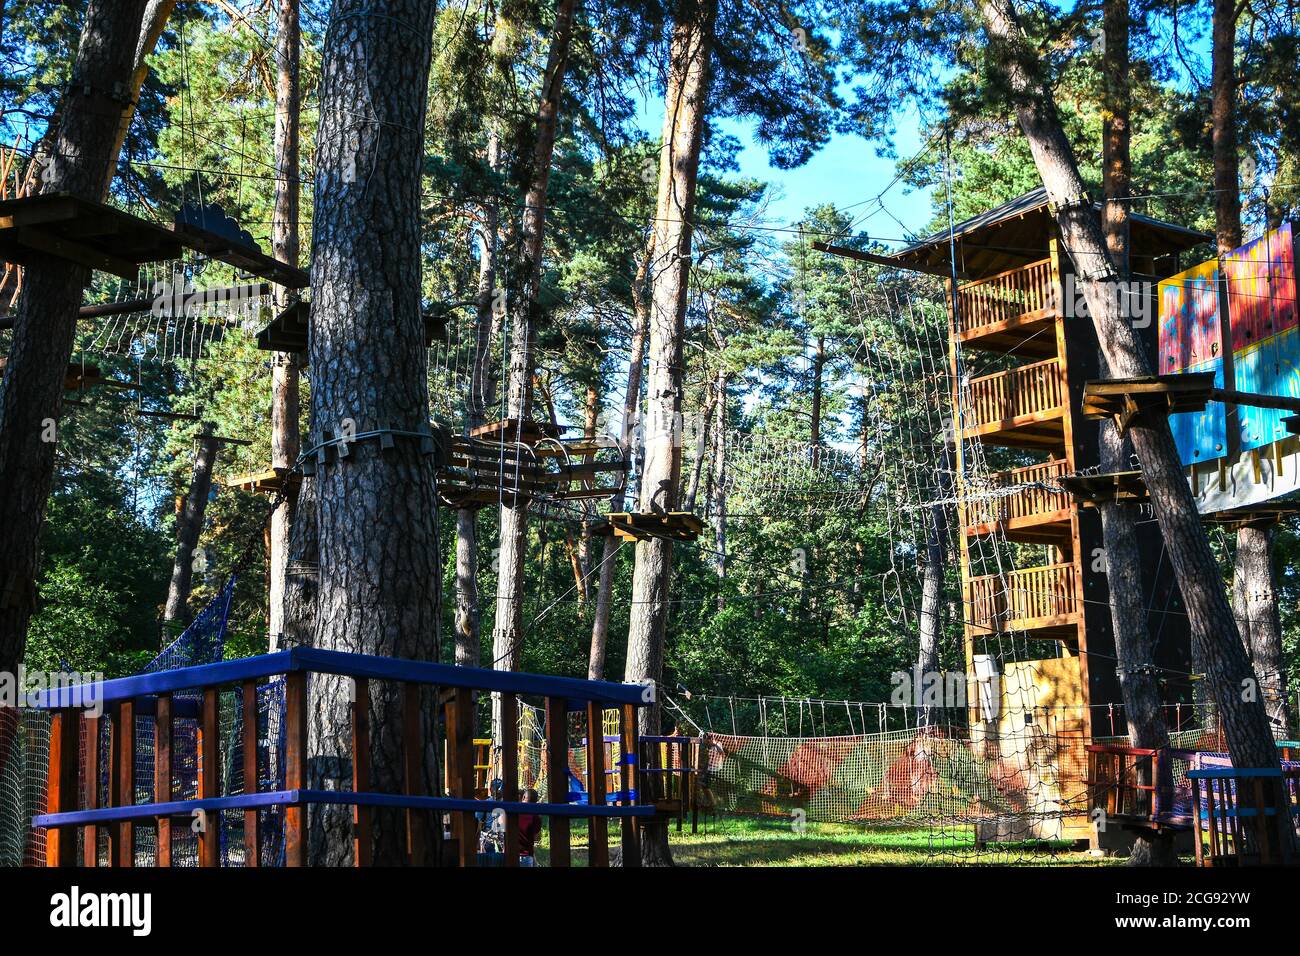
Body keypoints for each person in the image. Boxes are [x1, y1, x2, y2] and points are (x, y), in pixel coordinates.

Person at [517, 788, 543, 866]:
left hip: (511, 853)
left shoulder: (514, 812)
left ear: (523, 797)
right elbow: (536, 838)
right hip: (527, 855)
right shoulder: (536, 817)